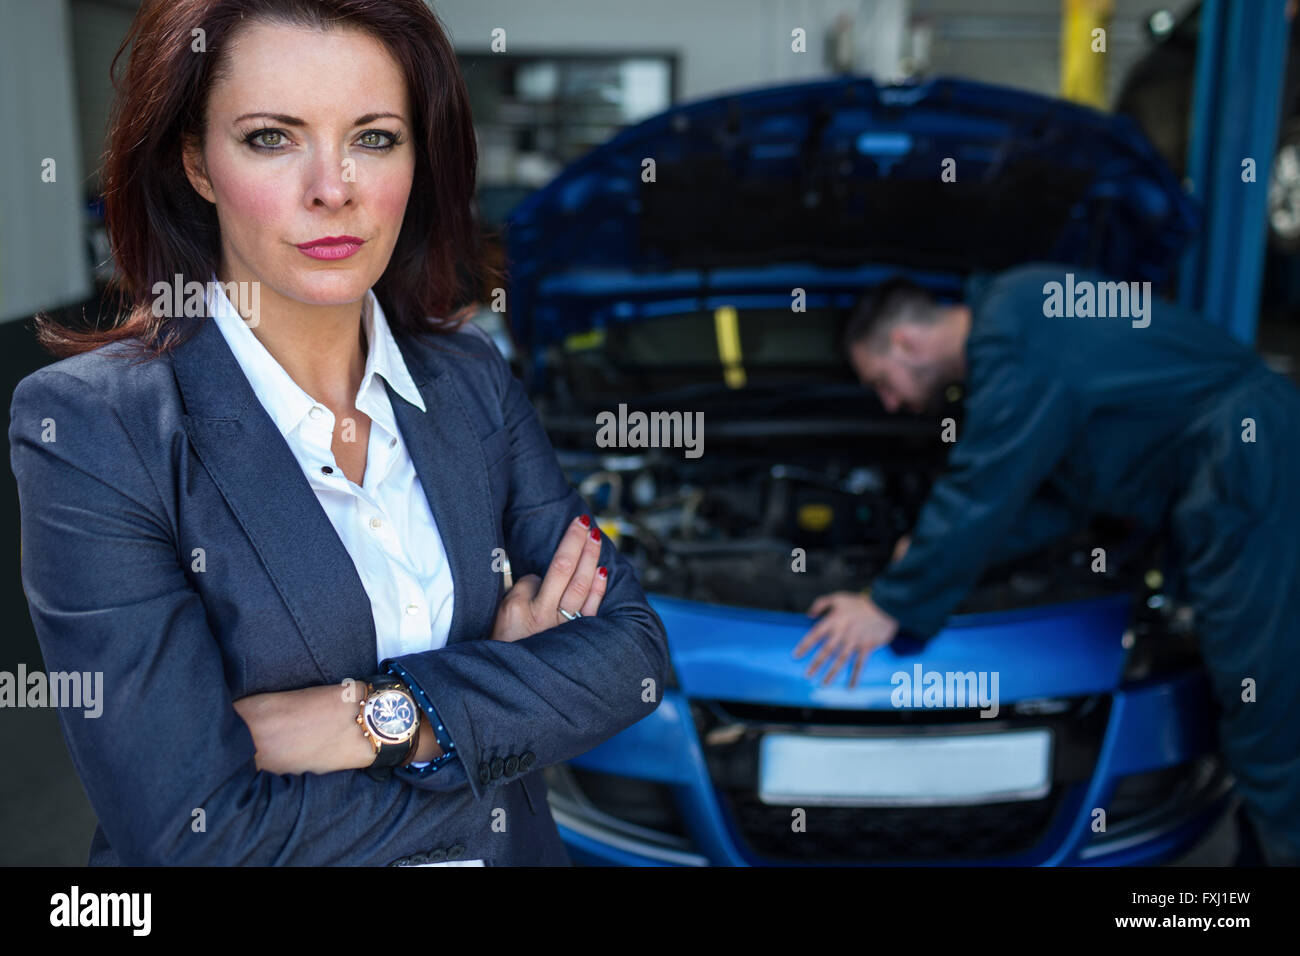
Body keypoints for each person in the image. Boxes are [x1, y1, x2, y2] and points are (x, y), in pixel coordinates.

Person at [8, 0, 667, 866]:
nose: (334, 187)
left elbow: (632, 654)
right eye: (272, 138)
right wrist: (504, 716)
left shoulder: (468, 378)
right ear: (197, 164)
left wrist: (379, 720)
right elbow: (191, 835)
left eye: (375, 137)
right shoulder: (95, 427)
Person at [794, 262, 1300, 866]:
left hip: (1249, 466)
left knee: (1268, 703)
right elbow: (1057, 503)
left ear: (907, 341)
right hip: (1232, 471)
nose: (892, 404)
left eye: (884, 381)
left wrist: (890, 601)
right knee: (1265, 696)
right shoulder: (1021, 321)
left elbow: (985, 481)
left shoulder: (1013, 330)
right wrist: (933, 552)